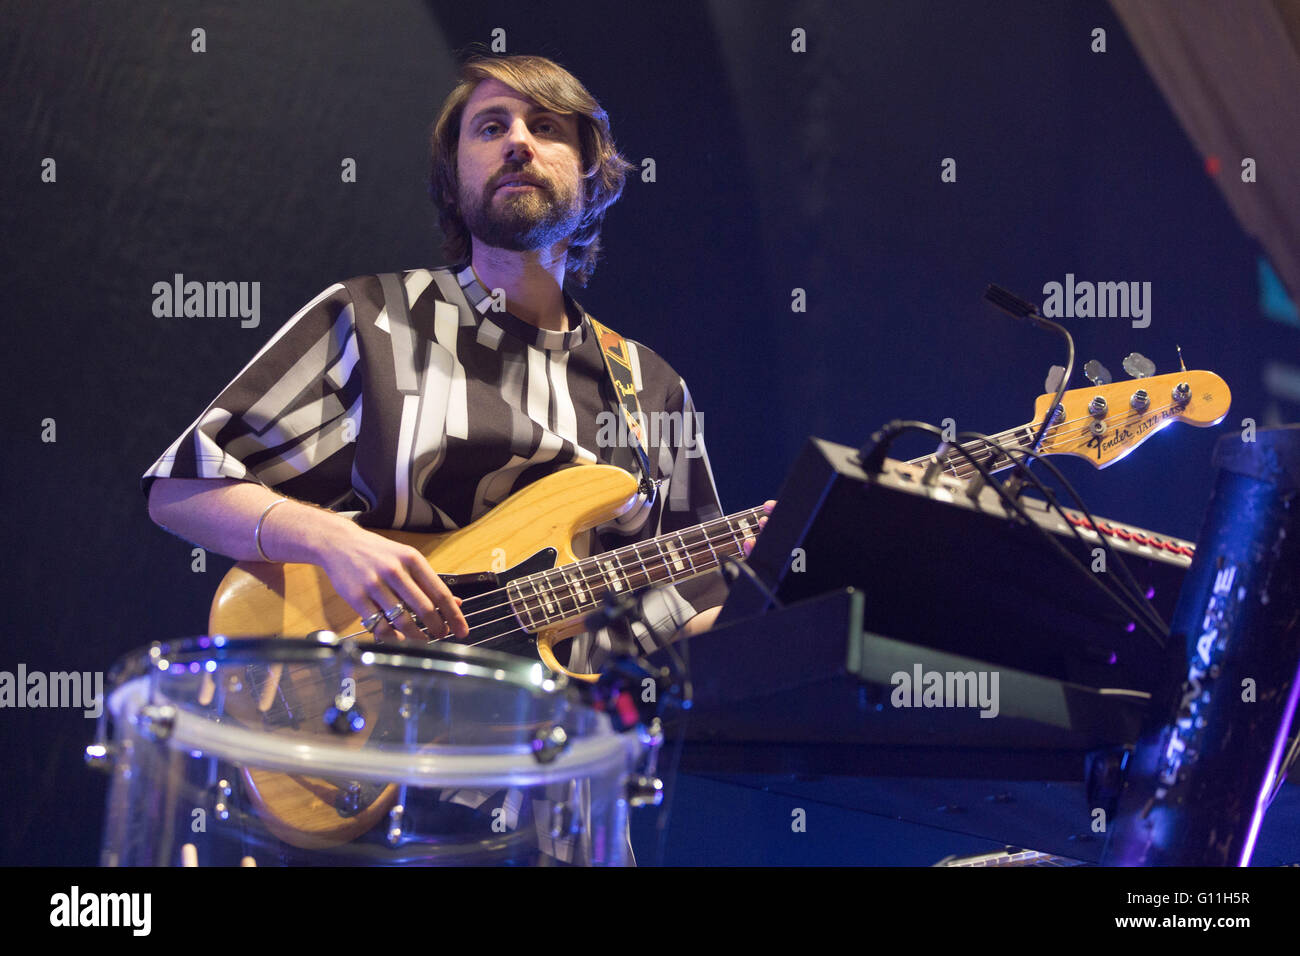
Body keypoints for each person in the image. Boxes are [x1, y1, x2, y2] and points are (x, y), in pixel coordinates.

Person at [143, 54, 768, 668]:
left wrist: (790, 569)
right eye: (491, 126)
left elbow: (691, 614)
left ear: (591, 174)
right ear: (453, 177)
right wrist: (333, 540)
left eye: (546, 126)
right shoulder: (370, 317)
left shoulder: (650, 388)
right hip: (362, 691)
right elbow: (183, 488)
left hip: (556, 745)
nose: (518, 141)